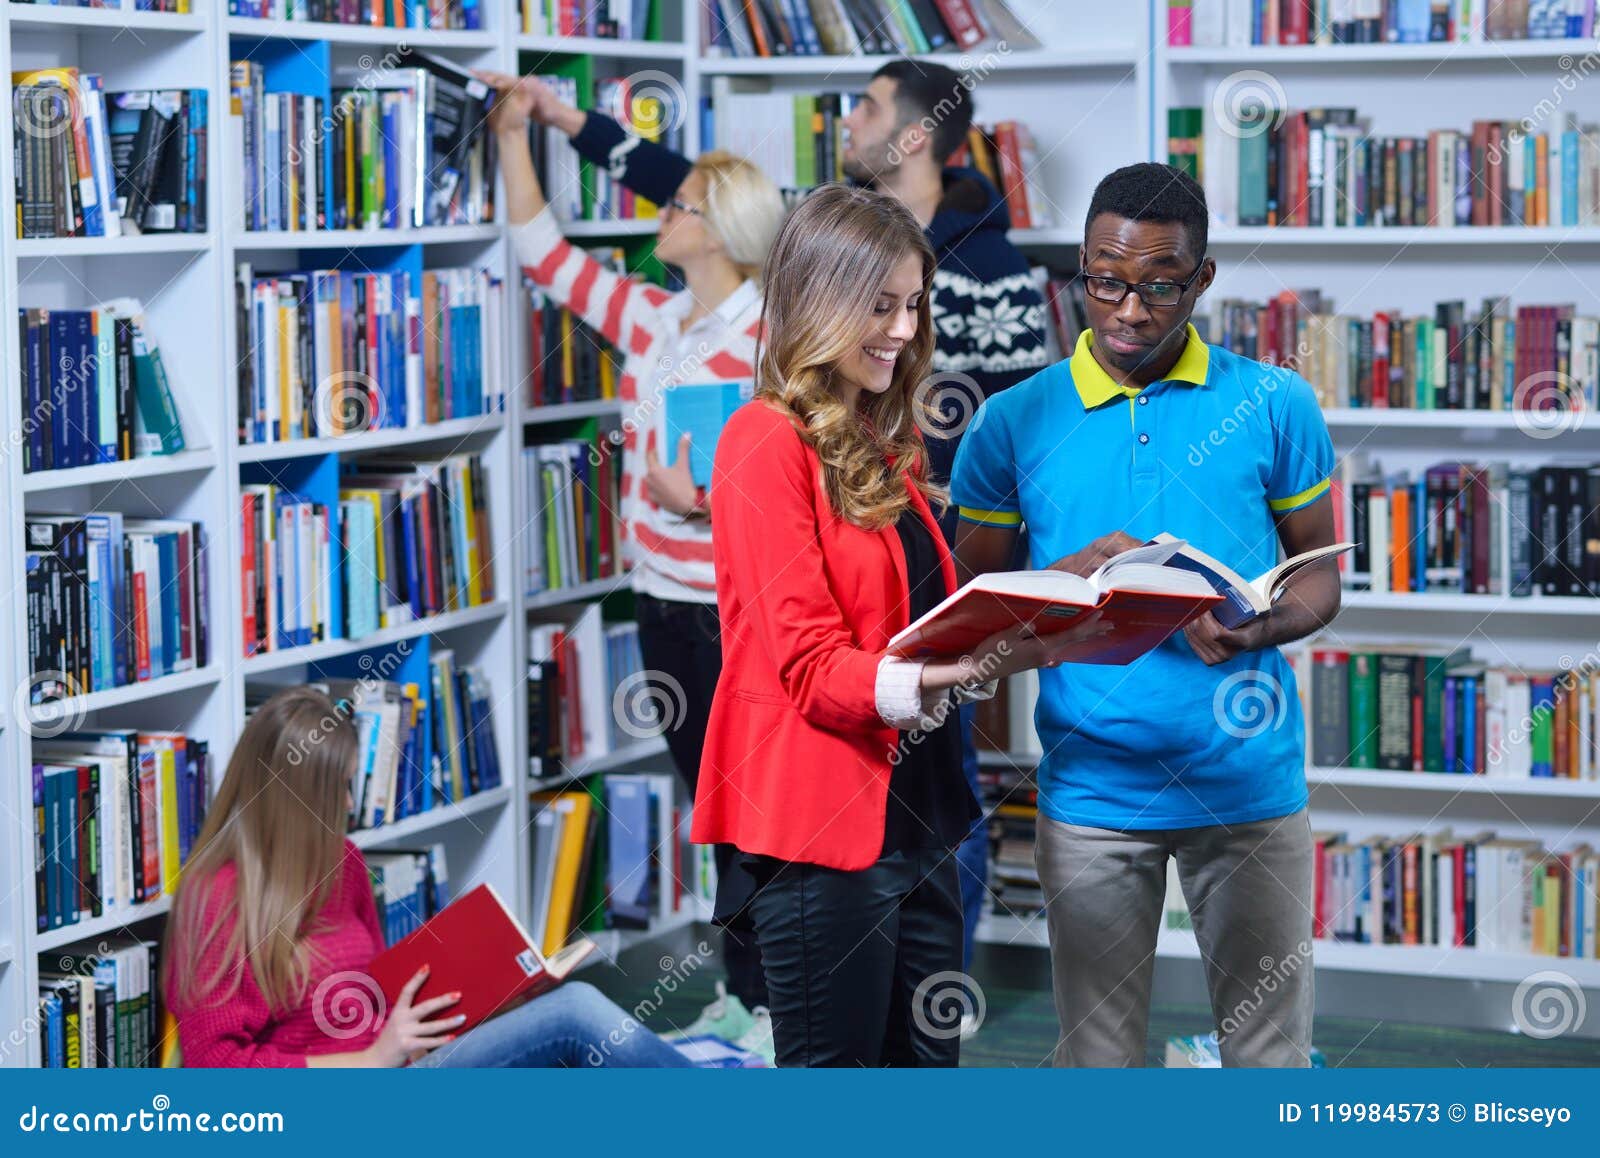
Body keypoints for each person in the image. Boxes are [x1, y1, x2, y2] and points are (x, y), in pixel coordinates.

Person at [517, 55, 1050, 993]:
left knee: (926, 792)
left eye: (871, 107)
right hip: (784, 573)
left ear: (918, 133)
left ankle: (926, 979)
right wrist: (563, 120)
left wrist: (1000, 566)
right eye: (879, 306)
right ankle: (778, 990)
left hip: (923, 550)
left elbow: (1014, 431)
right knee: (804, 801)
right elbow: (678, 180)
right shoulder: (829, 252)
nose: (849, 120)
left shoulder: (979, 271)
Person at [693, 184, 1104, 1068]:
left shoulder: (881, 446)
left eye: (914, 304)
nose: (903, 328)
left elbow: (929, 629)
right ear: (818, 299)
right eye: (879, 305)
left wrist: (1062, 602)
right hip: (821, 829)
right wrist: (933, 680)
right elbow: (808, 664)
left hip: (919, 819)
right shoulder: (762, 443)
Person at [951, 162, 1341, 1067]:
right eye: (1105, 281)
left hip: (1246, 783)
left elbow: (1319, 582)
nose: (1128, 310)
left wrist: (1262, 625)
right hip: (1092, 791)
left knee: (1270, 1058)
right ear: (1080, 272)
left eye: (1160, 287)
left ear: (1202, 280)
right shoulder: (1012, 421)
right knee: (1100, 1062)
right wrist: (1067, 582)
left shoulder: (1274, 403)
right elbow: (970, 619)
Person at [478, 70, 787, 1034]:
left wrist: (701, 500)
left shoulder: (773, 340)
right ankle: (747, 1005)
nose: (665, 213)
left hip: (731, 608)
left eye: (682, 204)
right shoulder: (656, 321)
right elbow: (543, 254)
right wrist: (514, 132)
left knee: (748, 817)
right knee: (709, 805)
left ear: (719, 230)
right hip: (657, 599)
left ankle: (771, 1008)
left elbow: (800, 474)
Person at [164, 687, 690, 1068]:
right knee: (577, 1015)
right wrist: (372, 1059)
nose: (350, 805)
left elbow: (378, 993)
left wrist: (491, 999)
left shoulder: (341, 862)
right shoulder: (220, 898)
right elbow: (216, 1068)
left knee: (570, 1031)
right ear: (298, 804)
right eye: (340, 792)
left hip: (407, 1063)